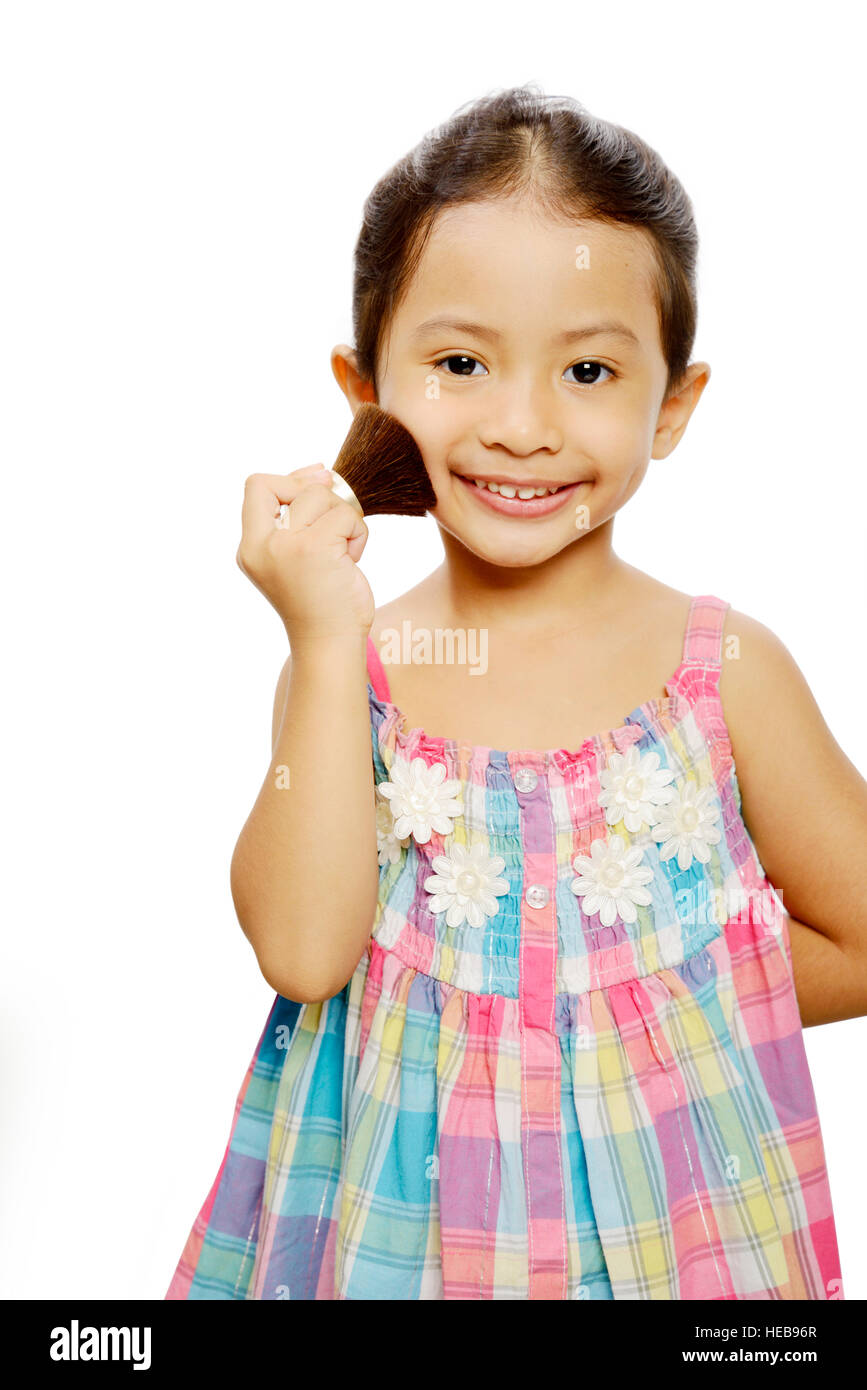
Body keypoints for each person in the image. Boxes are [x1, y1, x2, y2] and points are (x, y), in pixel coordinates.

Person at [165, 84, 862, 1300]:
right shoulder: (357, 673)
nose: (524, 424)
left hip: (671, 1248)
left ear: (675, 406)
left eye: (588, 367)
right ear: (365, 388)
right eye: (460, 362)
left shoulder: (723, 672)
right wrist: (322, 639)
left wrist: (626, 998)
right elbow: (303, 949)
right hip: (406, 1245)